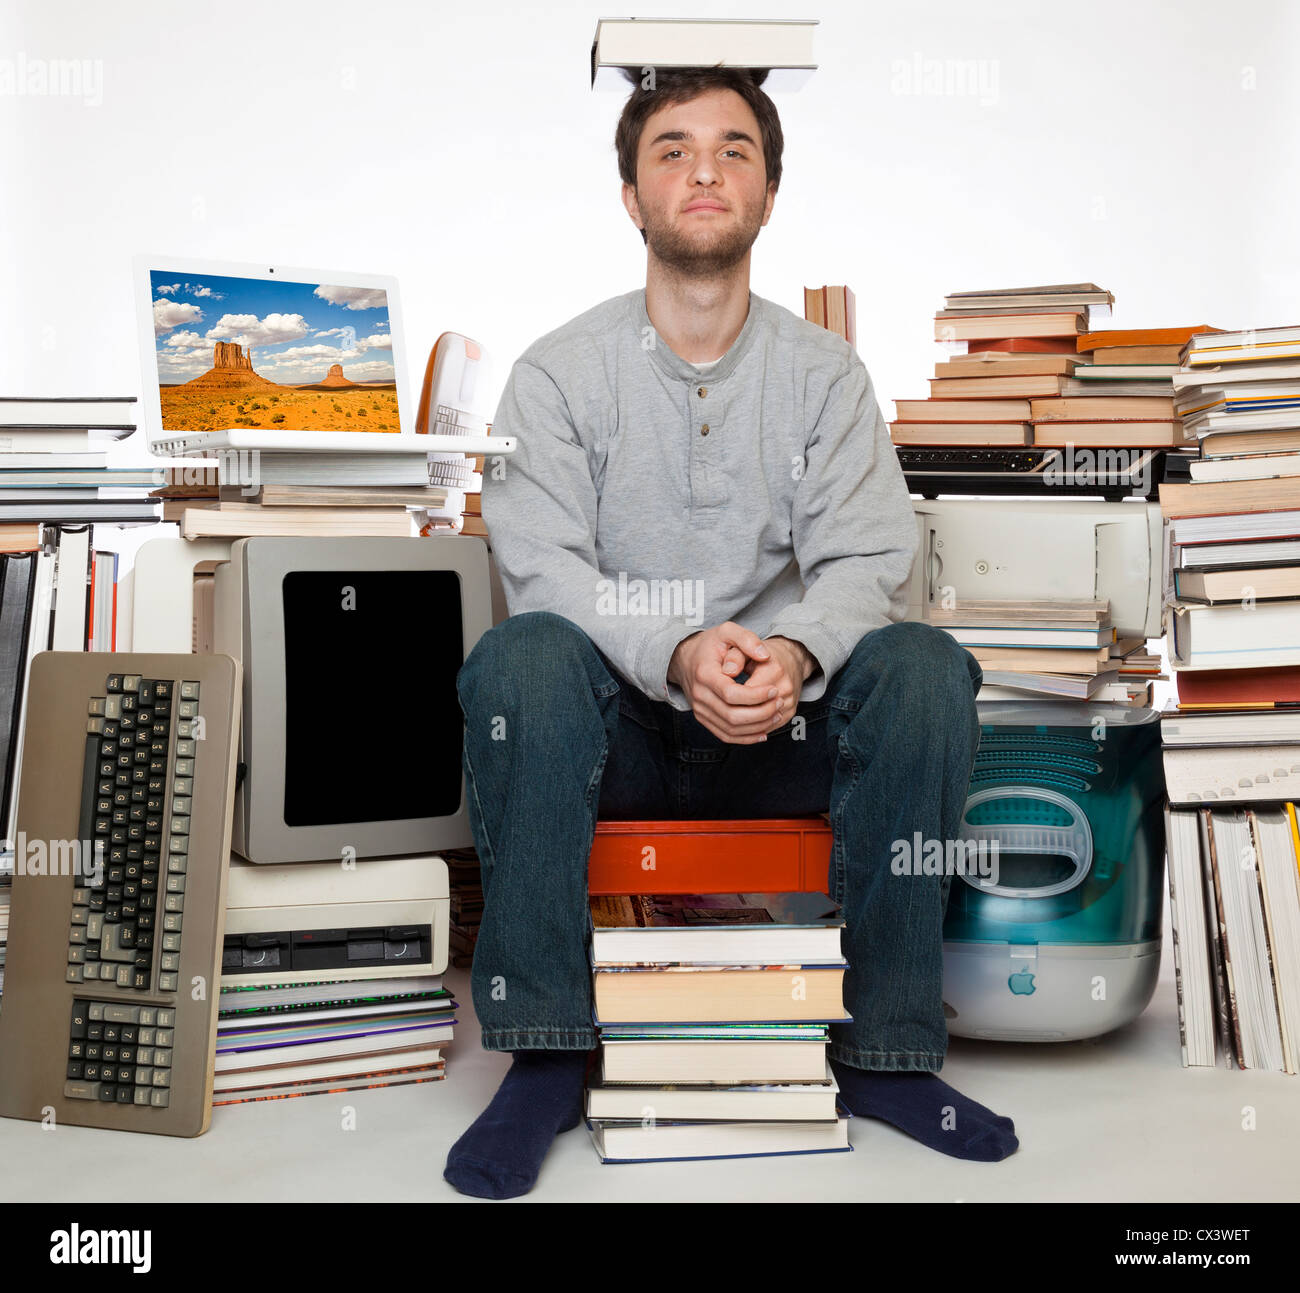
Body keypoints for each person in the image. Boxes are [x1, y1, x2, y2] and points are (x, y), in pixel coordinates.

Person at [444, 67, 1018, 1200]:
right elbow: (544, 566)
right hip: (622, 735)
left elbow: (866, 559)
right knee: (518, 657)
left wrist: (792, 655)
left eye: (734, 149)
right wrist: (676, 652)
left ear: (765, 192)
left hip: (782, 725)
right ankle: (548, 1055)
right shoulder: (557, 374)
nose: (703, 170)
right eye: (671, 148)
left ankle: (888, 1055)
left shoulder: (825, 377)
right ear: (629, 193)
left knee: (925, 667)